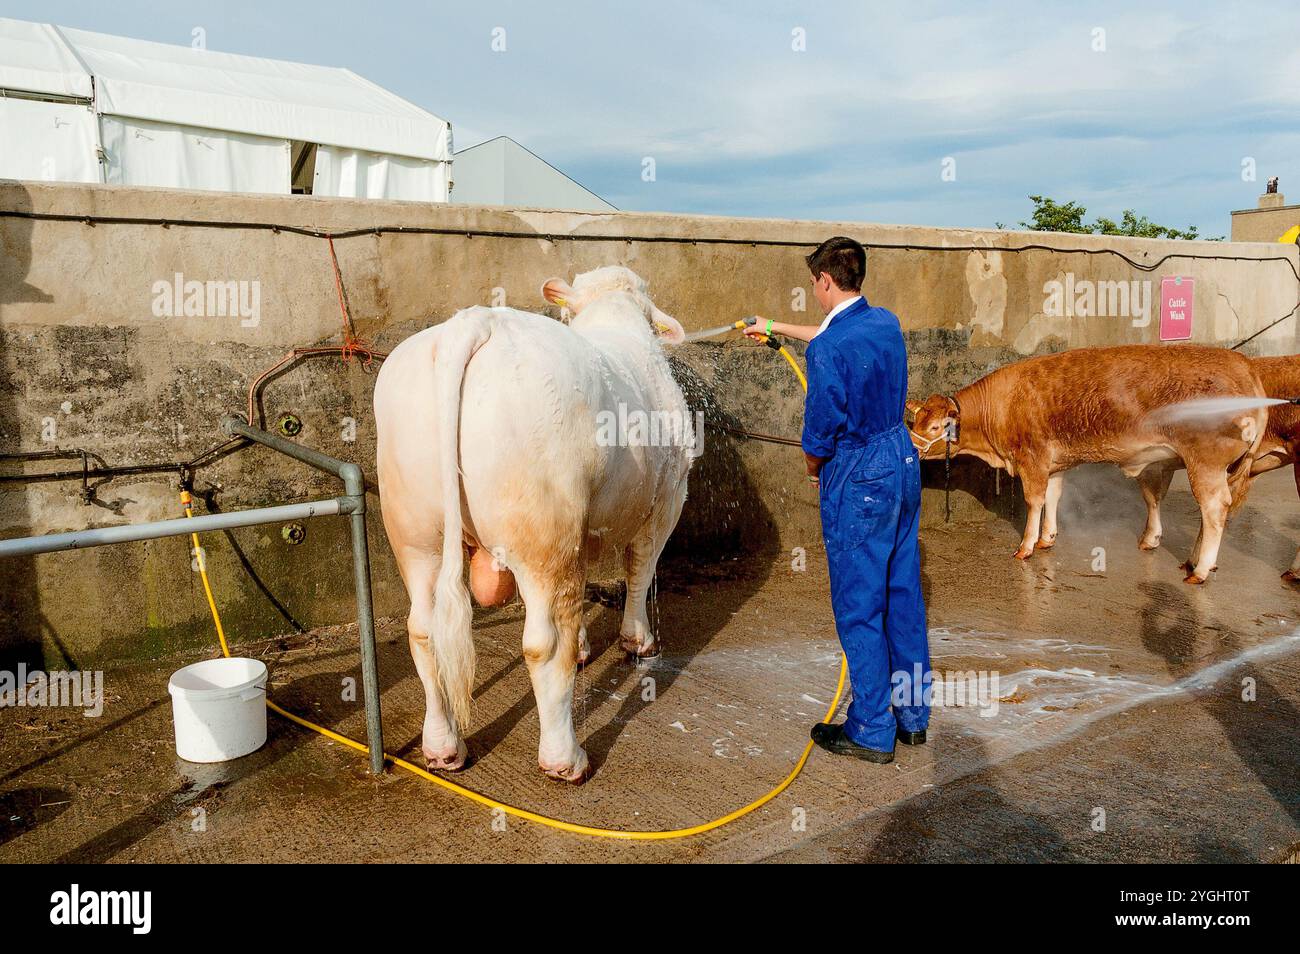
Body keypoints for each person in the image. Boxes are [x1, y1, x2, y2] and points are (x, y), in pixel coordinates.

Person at [748, 236, 930, 763]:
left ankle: (872, 729)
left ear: (825, 280)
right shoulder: (885, 323)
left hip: (858, 473)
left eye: (813, 284)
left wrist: (815, 468)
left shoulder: (829, 349)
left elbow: (820, 428)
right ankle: (912, 717)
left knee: (858, 604)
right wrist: (774, 329)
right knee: (903, 595)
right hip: (900, 458)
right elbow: (835, 339)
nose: (813, 293)